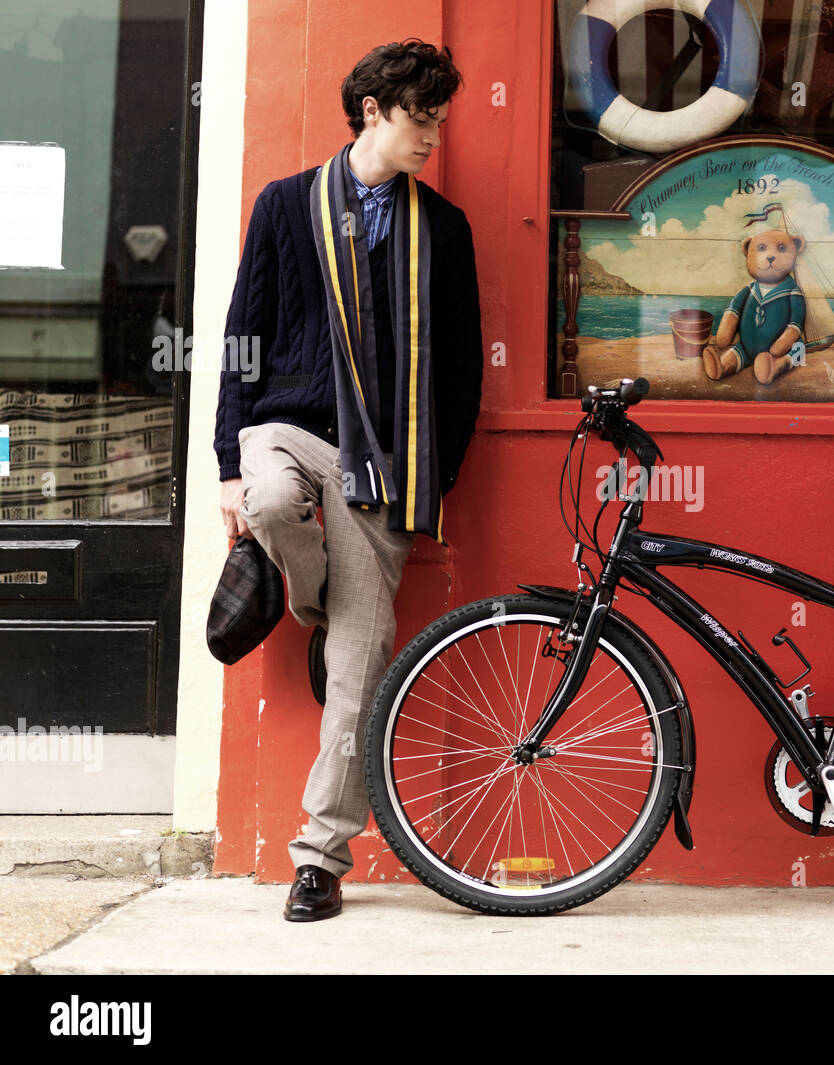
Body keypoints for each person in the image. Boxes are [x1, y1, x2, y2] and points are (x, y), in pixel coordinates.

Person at [214, 39, 483, 922]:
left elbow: (461, 373)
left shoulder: (442, 228)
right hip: (284, 429)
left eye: (442, 117)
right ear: (372, 109)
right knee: (268, 503)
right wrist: (226, 463)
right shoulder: (286, 206)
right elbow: (242, 337)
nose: (435, 134)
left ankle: (319, 859)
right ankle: (312, 606)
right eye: (421, 117)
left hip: (384, 468)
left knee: (360, 672)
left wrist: (432, 476)